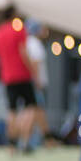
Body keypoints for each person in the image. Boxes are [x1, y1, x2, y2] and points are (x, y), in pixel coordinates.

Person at [0, 7, 35, 155]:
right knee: (31, 108)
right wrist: (33, 72)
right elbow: (24, 52)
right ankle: (25, 141)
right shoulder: (19, 30)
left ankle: (11, 143)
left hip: (7, 76)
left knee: (11, 111)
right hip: (23, 74)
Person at [24, 19, 51, 150]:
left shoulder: (29, 43)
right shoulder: (34, 44)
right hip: (35, 83)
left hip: (32, 82)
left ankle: (47, 140)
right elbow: (35, 63)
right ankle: (25, 141)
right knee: (33, 111)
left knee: (39, 112)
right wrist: (37, 80)